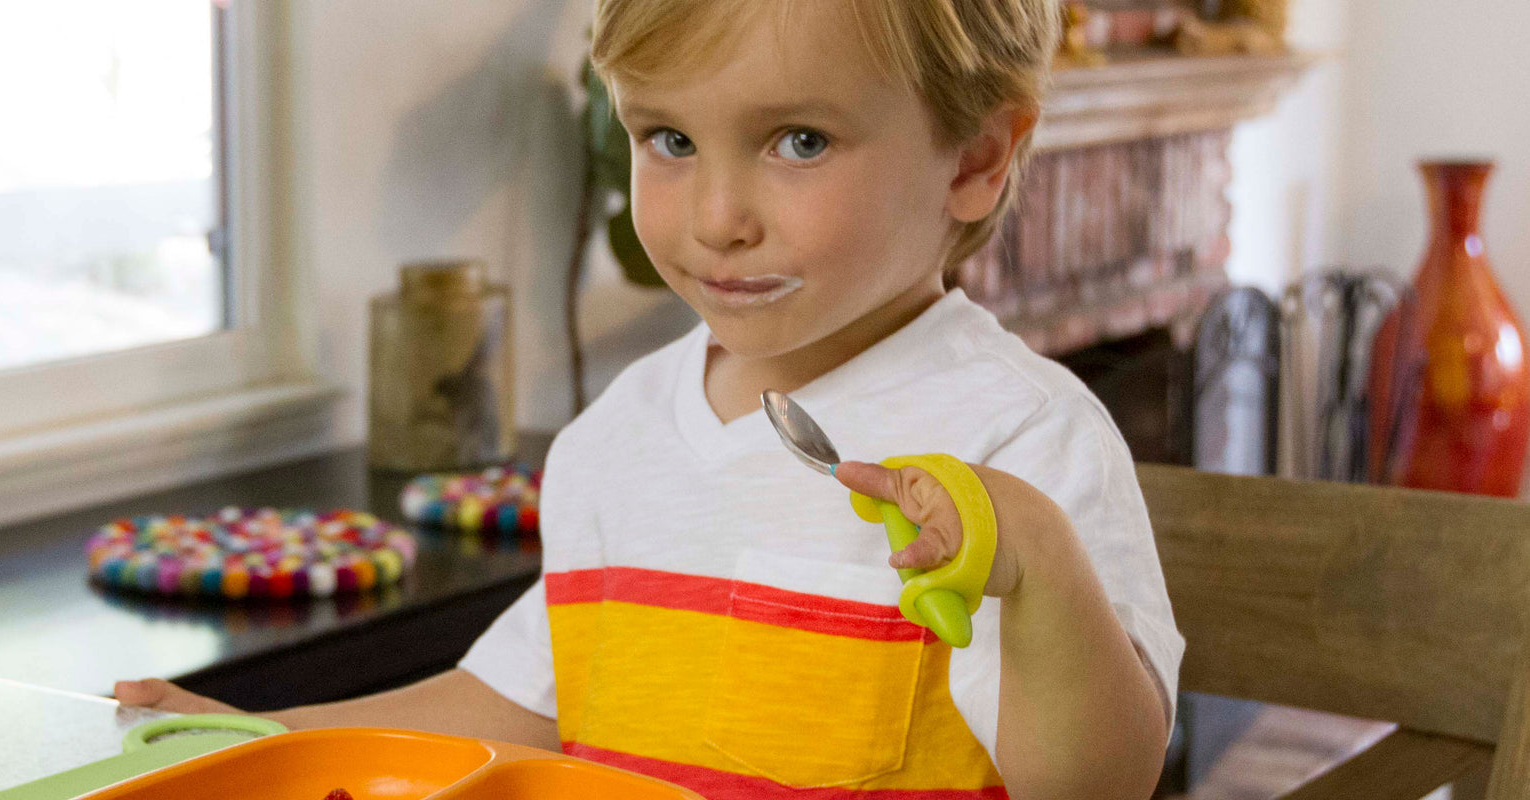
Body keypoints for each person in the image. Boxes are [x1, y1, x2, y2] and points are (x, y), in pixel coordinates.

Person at [119, 0, 1180, 796]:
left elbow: (1095, 784)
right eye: (668, 139)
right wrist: (267, 736)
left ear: (979, 159)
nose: (717, 216)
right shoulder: (613, 438)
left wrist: (1033, 560)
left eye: (799, 141)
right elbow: (522, 705)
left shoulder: (1027, 438)